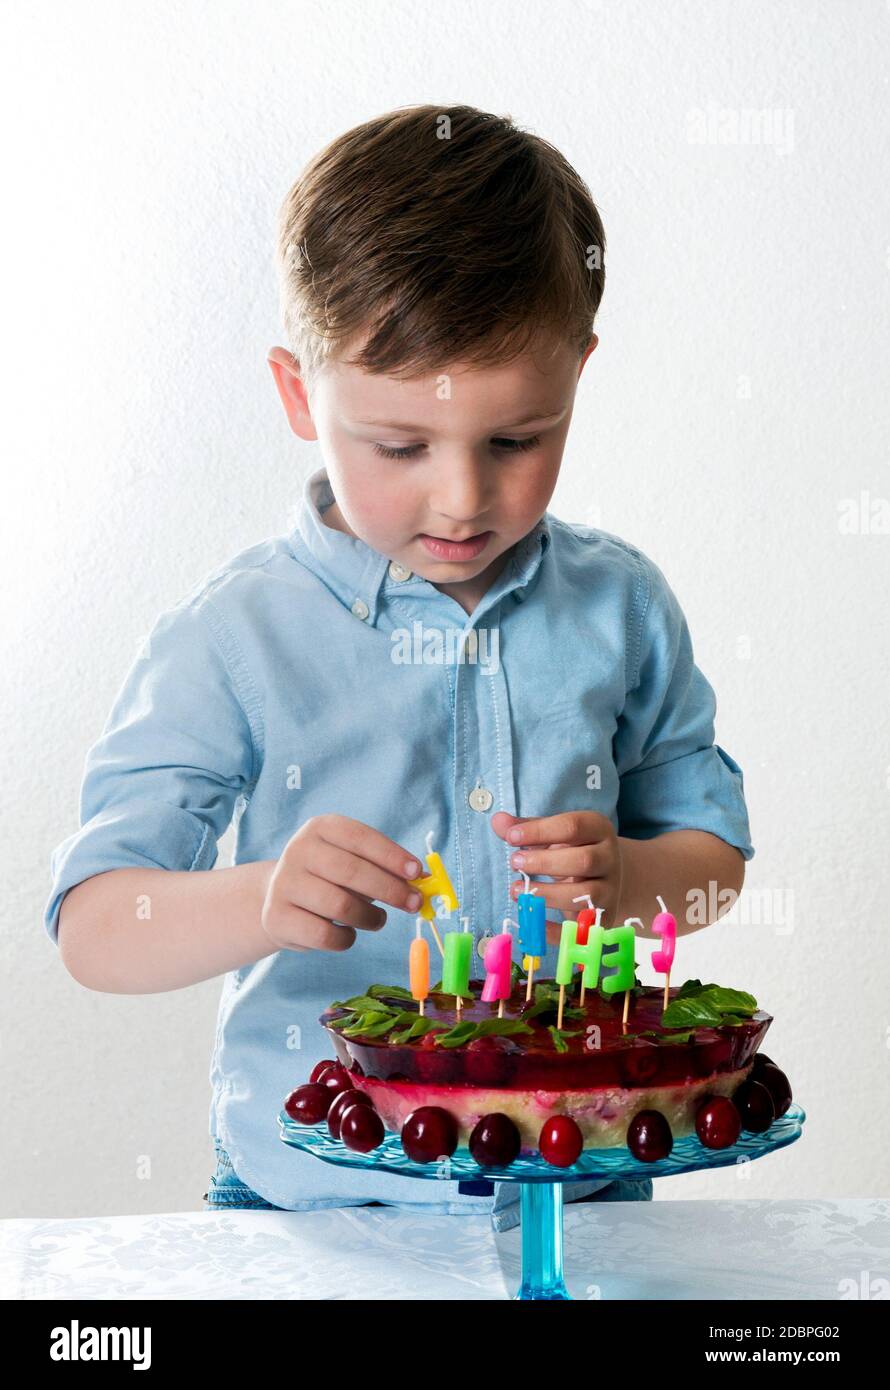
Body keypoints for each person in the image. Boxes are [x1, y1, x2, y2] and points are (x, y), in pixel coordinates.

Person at [47, 104, 753, 1235]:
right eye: (398, 447)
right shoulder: (235, 635)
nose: (463, 498)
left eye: (516, 439)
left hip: (586, 1186)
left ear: (577, 374)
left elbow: (713, 865)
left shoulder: (620, 607)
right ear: (297, 396)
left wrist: (627, 880)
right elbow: (94, 925)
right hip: (312, 1201)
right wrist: (260, 898)